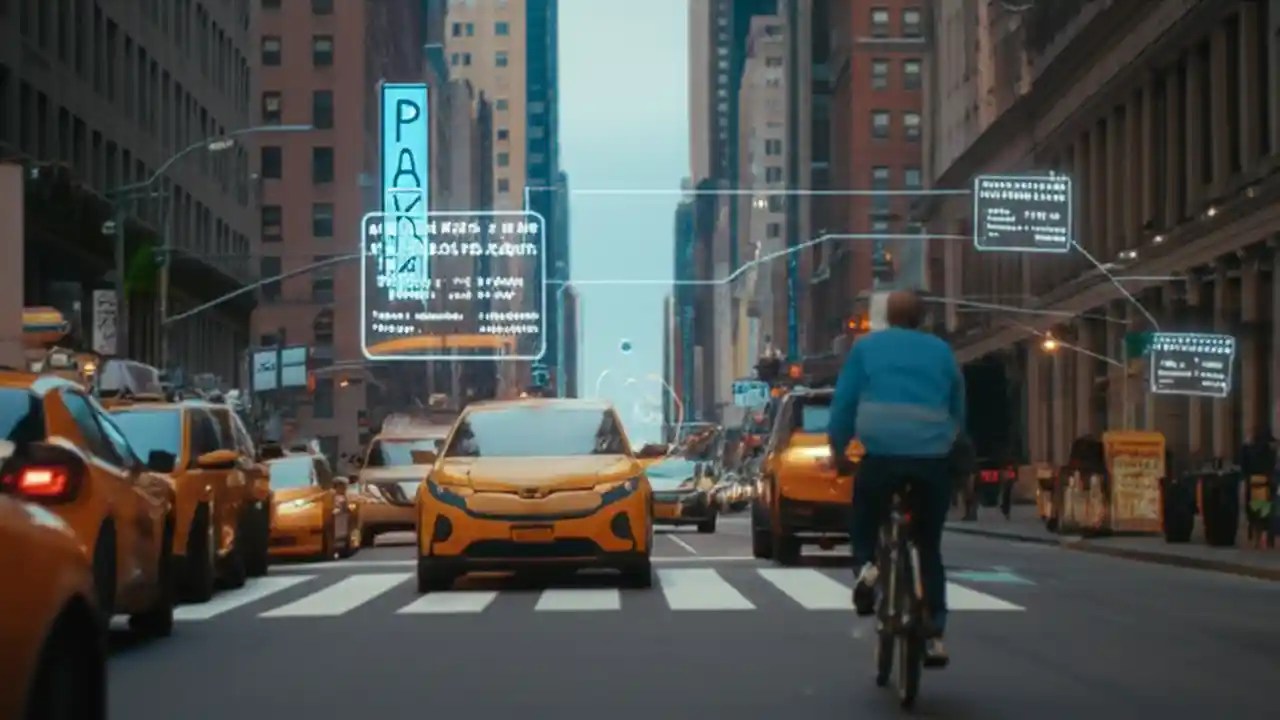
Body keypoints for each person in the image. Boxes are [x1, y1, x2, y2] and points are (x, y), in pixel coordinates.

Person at [828, 289, 966, 668]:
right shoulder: (941, 351)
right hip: (931, 457)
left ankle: (866, 567)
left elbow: (844, 404)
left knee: (865, 518)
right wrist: (949, 444)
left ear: (887, 316)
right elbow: (958, 408)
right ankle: (935, 633)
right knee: (928, 545)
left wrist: (839, 451)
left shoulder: (867, 349)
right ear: (923, 318)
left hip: (882, 454)